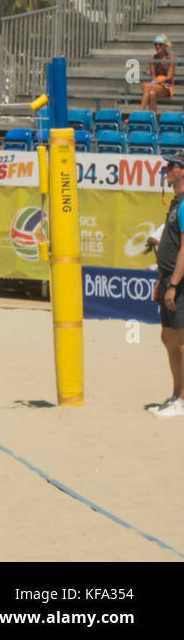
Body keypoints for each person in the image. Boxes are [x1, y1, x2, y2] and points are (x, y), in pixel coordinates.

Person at [150, 151, 184, 417]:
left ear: (183, 171)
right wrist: (162, 280)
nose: (167, 170)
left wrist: (173, 284)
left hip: (180, 281)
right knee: (168, 338)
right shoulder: (175, 203)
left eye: (171, 166)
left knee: (181, 341)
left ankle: (182, 400)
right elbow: (170, 246)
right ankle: (176, 395)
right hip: (169, 278)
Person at [140, 34, 175, 112]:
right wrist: (152, 82)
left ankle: (138, 114)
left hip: (167, 85)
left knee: (146, 86)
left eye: (160, 44)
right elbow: (153, 76)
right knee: (151, 93)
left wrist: (152, 83)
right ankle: (154, 118)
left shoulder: (170, 58)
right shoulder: (152, 58)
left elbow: (169, 77)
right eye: (155, 44)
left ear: (165, 46)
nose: (157, 46)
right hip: (156, 84)